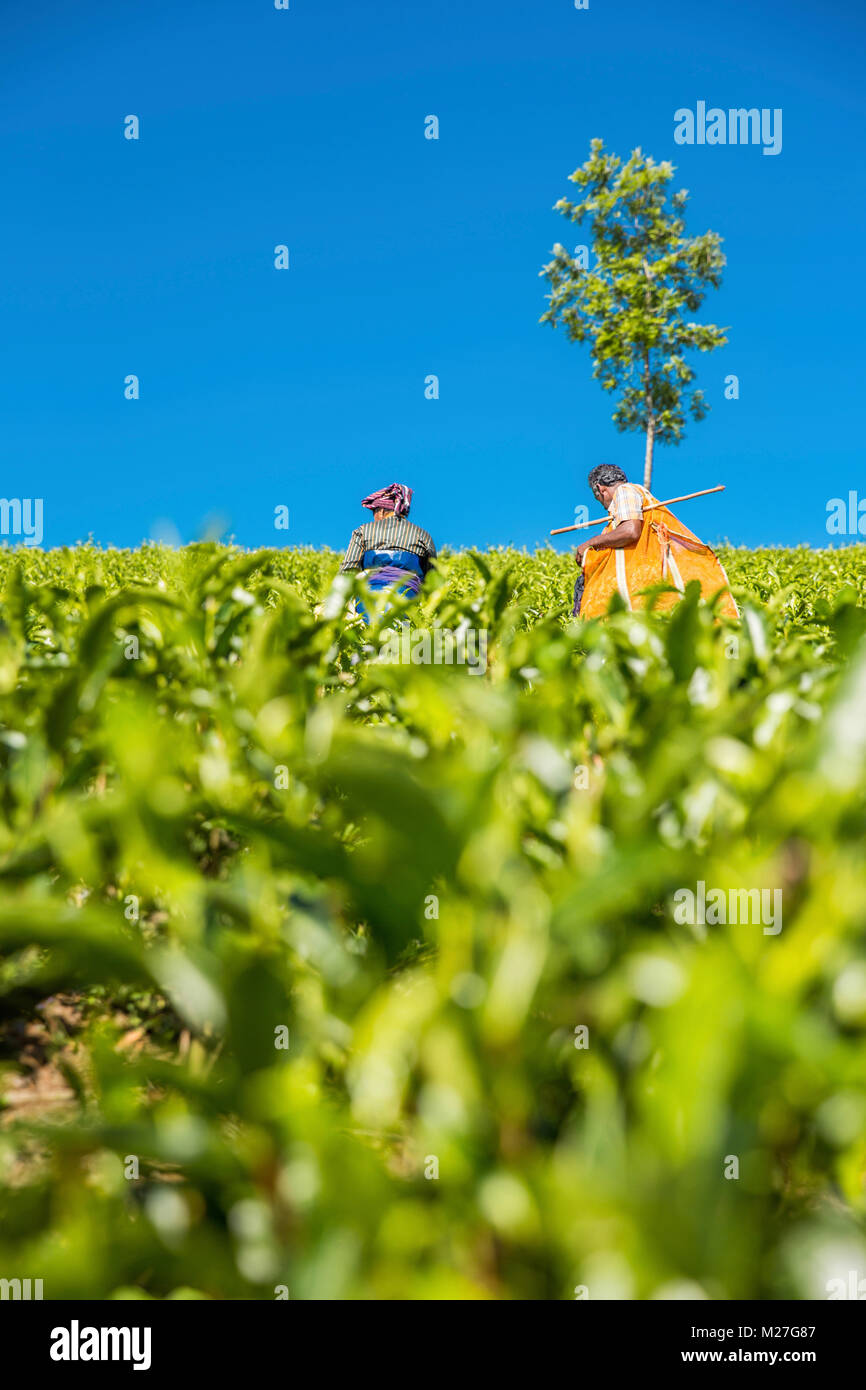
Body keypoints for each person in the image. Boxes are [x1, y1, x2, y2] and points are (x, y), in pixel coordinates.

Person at [573, 464, 738, 619]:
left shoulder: (625, 491)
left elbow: (630, 531)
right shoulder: (640, 499)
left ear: (600, 489)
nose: (602, 505)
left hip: (643, 575)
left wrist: (590, 543)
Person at [339, 483, 436, 620]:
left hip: (368, 600)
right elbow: (432, 580)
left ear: (382, 511)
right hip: (407, 601)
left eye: (374, 512)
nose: (374, 518)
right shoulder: (423, 536)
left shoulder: (363, 531)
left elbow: (347, 572)